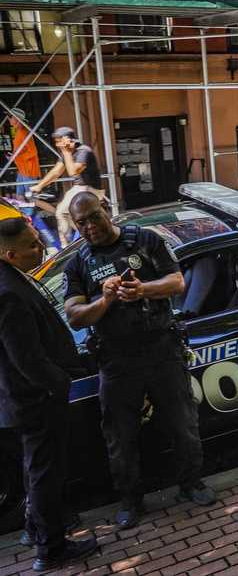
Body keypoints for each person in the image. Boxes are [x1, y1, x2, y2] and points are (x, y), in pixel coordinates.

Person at [63, 192, 214, 530]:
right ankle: (130, 501)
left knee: (182, 424)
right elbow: (74, 316)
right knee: (120, 436)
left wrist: (142, 289)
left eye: (93, 217)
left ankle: (192, 484)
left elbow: (177, 282)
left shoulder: (144, 240)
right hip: (116, 360)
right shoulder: (78, 263)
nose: (89, 227)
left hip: (161, 350)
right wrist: (105, 300)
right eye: (80, 223)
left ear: (106, 210)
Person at [0, 216, 98, 571]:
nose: (40, 247)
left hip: (27, 398)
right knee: (45, 473)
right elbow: (27, 359)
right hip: (35, 400)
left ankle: (34, 530)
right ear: (10, 254)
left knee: (36, 469)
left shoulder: (10, 280)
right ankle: (51, 548)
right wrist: (60, 383)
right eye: (32, 245)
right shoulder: (8, 293)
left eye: (38, 239)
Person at [30, 127, 105, 248]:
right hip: (79, 189)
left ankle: (66, 247)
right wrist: (39, 186)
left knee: (61, 212)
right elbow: (56, 172)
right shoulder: (67, 153)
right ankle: (86, 237)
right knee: (72, 215)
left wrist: (66, 152)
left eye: (59, 141)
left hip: (89, 189)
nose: (57, 144)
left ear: (69, 139)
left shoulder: (83, 151)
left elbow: (73, 171)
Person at [5, 108, 40, 201]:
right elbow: (22, 150)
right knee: (20, 196)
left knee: (31, 198)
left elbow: (33, 152)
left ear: (17, 118)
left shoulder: (24, 132)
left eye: (10, 116)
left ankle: (34, 214)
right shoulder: (19, 131)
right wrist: (13, 156)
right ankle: (25, 215)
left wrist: (15, 157)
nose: (8, 119)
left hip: (29, 169)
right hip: (22, 169)